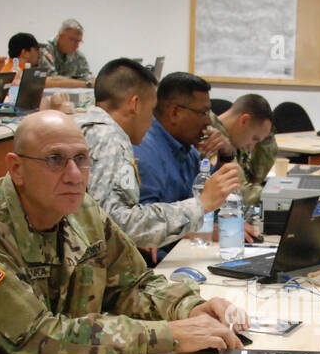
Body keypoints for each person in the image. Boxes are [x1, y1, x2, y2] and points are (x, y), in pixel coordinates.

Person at [0, 110, 246, 354]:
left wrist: (189, 307)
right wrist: (168, 334)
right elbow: (39, 338)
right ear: (16, 168)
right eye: (55, 160)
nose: (74, 174)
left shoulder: (80, 208)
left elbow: (132, 283)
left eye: (82, 159)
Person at [78, 59, 239, 250]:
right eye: (151, 109)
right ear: (135, 104)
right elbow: (117, 227)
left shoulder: (86, 127)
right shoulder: (111, 139)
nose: (152, 118)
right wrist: (201, 204)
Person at [133, 72, 244, 251]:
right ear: (175, 113)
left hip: (187, 250)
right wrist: (212, 232)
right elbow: (146, 230)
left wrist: (226, 153)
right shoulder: (144, 153)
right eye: (203, 112)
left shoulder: (187, 149)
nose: (209, 121)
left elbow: (209, 200)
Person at [206, 94, 278, 209]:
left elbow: (255, 179)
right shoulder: (213, 139)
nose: (251, 147)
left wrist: (267, 135)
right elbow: (242, 195)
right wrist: (284, 195)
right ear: (244, 120)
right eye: (255, 138)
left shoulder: (235, 140)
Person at [39, 19, 91, 88]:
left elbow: (88, 77)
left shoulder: (78, 55)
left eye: (79, 41)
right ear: (61, 36)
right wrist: (84, 84)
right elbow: (50, 81)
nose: (77, 45)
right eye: (74, 40)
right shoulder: (45, 50)